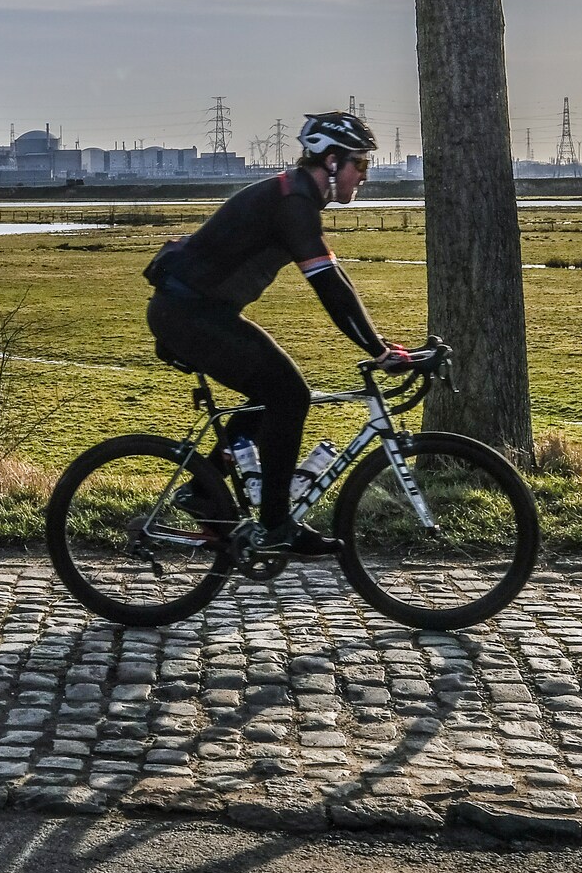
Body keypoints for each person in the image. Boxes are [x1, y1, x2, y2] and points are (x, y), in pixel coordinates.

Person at [142, 110, 413, 549]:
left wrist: (378, 343)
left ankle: (206, 492)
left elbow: (336, 278)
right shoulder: (292, 203)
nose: (364, 175)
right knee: (289, 393)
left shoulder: (296, 198)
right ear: (330, 161)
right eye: (360, 164)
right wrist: (377, 350)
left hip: (198, 311)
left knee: (276, 392)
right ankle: (273, 524)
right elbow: (327, 287)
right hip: (188, 313)